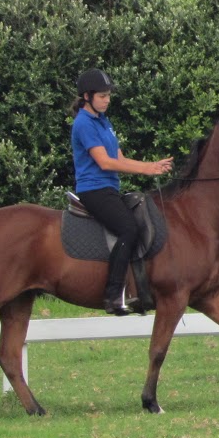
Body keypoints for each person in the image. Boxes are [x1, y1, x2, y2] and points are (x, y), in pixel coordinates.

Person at [70, 68, 173, 315]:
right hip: (93, 190)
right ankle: (113, 294)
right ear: (87, 96)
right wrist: (147, 169)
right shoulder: (83, 123)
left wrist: (152, 166)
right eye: (102, 96)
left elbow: (120, 159)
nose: (107, 100)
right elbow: (105, 163)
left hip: (108, 188)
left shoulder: (103, 121)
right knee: (128, 228)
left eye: (108, 95)